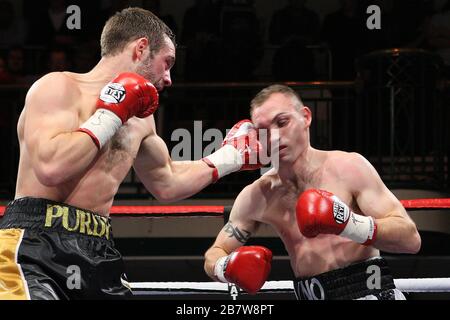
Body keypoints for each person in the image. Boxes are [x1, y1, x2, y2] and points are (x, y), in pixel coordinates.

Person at [0, 7, 262, 300]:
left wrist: (231, 157)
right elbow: (51, 167)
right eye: (167, 63)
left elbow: (167, 181)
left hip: (98, 251)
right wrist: (111, 114)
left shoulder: (141, 121)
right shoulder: (58, 87)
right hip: (35, 244)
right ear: (141, 48)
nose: (169, 78)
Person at [204, 84, 422, 300]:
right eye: (263, 131)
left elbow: (411, 240)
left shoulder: (349, 167)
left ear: (306, 117)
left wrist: (349, 224)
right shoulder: (258, 195)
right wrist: (225, 267)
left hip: (370, 293)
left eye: (282, 122)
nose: (274, 137)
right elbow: (214, 254)